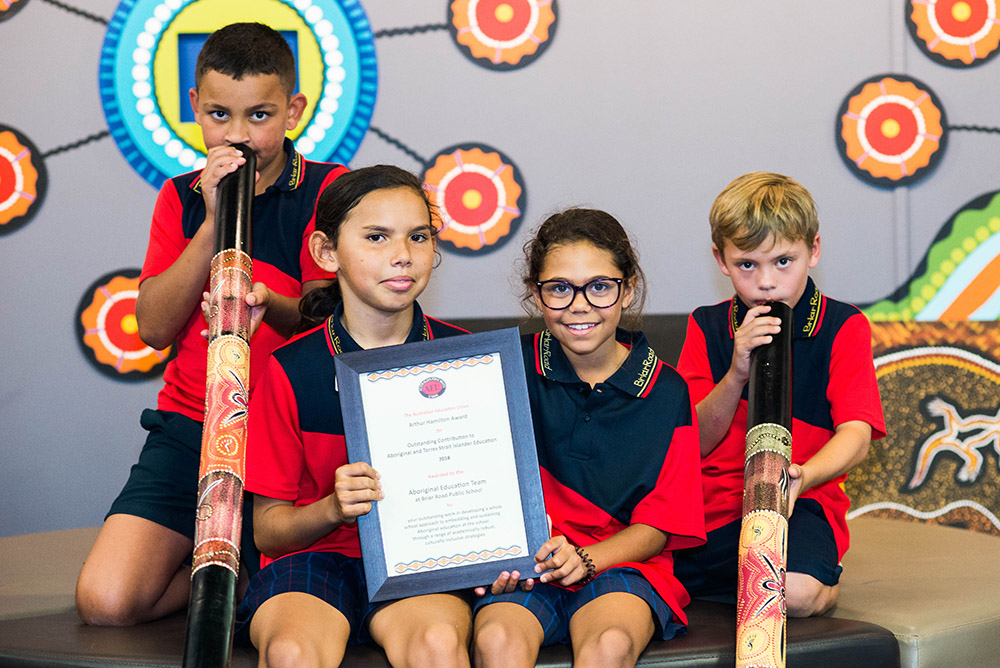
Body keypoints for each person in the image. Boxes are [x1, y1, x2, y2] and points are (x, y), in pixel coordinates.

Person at [75, 22, 348, 626]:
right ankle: (224, 571)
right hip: (192, 423)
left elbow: (333, 317)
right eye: (220, 115)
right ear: (194, 106)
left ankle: (243, 572)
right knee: (107, 601)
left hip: (288, 435)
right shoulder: (180, 195)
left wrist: (265, 303)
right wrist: (212, 220)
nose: (239, 135)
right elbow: (151, 326)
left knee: (287, 602)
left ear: (294, 110)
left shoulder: (332, 188)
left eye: (260, 115)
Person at [235, 165, 472, 668]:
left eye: (419, 236)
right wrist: (332, 508)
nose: (402, 254)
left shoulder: (468, 360)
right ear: (326, 252)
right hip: (314, 560)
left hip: (421, 562)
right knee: (291, 651)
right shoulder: (290, 369)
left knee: (437, 643)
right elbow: (268, 532)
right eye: (376, 237)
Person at [472, 209, 705, 668]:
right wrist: (484, 558)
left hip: (621, 564)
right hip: (525, 567)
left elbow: (659, 528)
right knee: (496, 641)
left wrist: (588, 558)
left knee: (610, 644)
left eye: (599, 286)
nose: (579, 305)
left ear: (628, 289)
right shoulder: (501, 369)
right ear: (536, 294)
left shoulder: (667, 391)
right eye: (559, 288)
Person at [673, 171, 886, 617]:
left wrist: (805, 476)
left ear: (814, 250)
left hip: (800, 499)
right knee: (654, 575)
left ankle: (815, 584)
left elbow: (856, 435)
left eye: (784, 262)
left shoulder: (843, 325)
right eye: (747, 265)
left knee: (796, 592)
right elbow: (694, 441)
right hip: (716, 507)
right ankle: (741, 580)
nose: (766, 283)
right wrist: (735, 373)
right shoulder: (706, 324)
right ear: (721, 260)